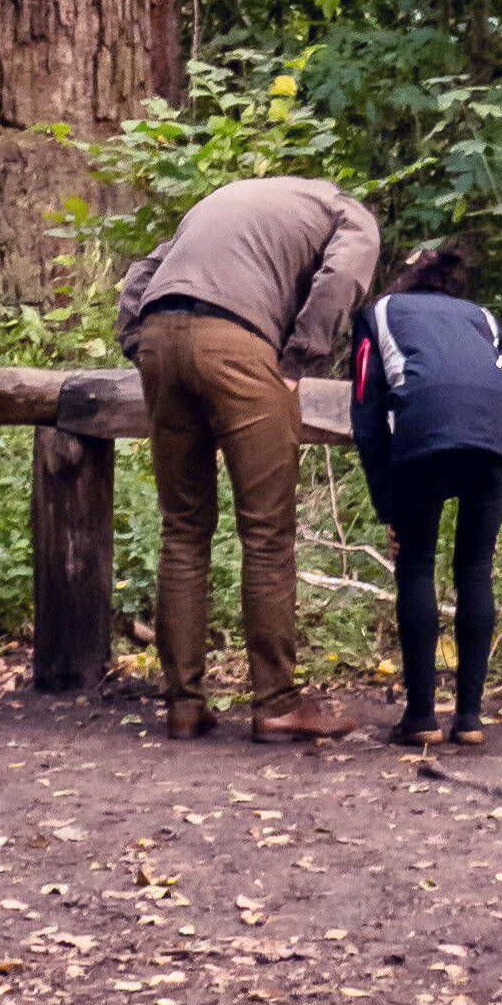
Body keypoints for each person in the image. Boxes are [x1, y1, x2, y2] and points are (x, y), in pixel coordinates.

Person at [117, 160, 380, 743]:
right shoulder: (349, 214)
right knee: (266, 532)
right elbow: (342, 276)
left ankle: (183, 704)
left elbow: (142, 274)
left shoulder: (221, 200)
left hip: (161, 333)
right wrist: (299, 359)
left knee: (183, 529)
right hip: (238, 342)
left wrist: (140, 344)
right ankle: (277, 703)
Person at [351, 233, 502, 748]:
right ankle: (469, 718)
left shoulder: (380, 312)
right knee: (474, 568)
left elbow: (366, 411)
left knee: (415, 564)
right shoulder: (482, 317)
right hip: (500, 438)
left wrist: (386, 505)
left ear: (404, 282)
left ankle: (421, 716)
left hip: (423, 433)